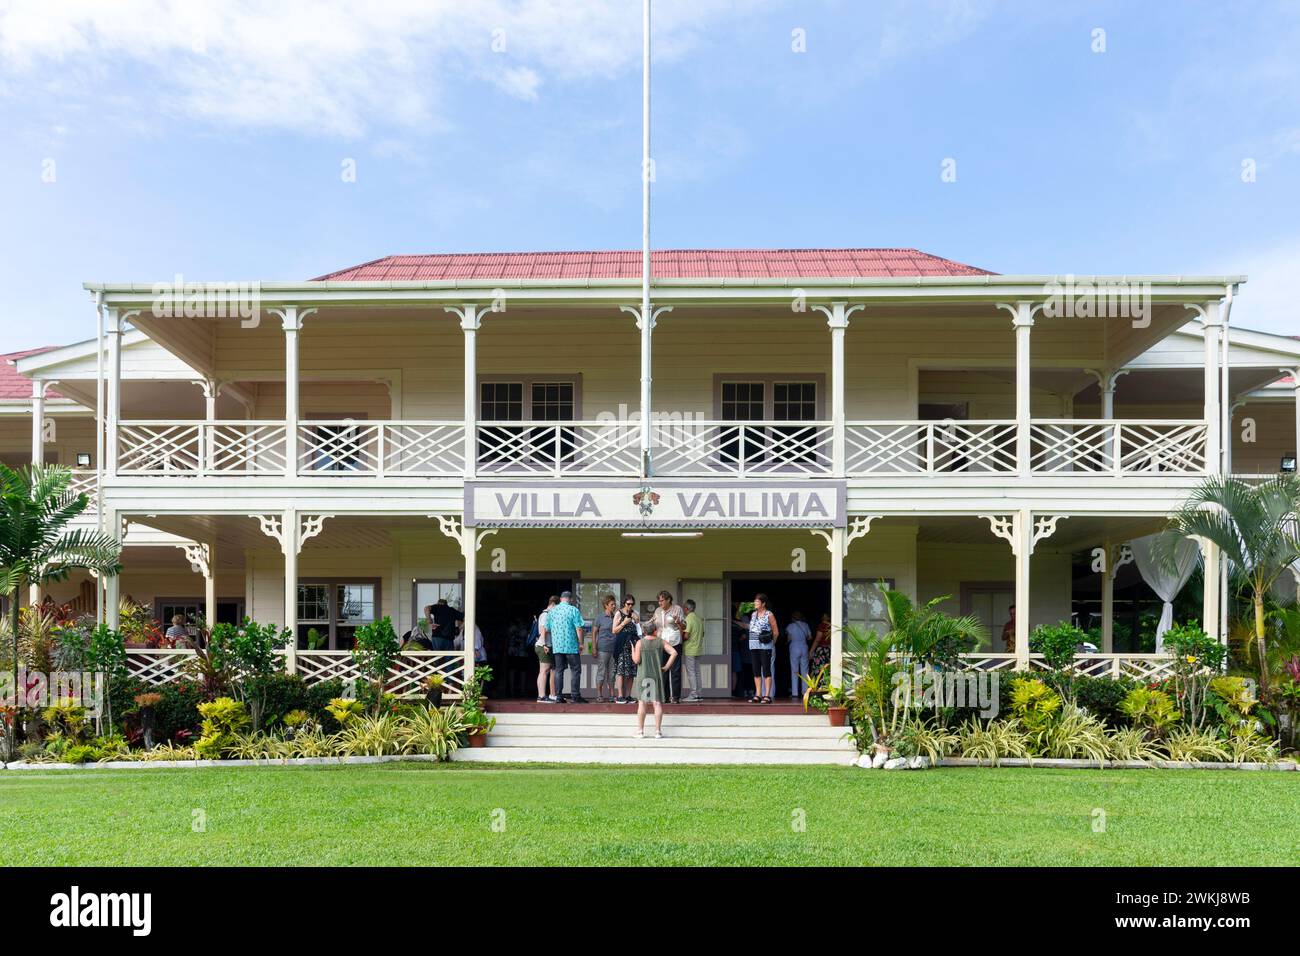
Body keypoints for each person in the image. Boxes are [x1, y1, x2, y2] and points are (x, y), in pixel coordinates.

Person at [633, 618, 677, 738]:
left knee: (642, 703)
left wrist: (633, 651)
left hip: (643, 676)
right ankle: (657, 731)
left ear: (644, 631)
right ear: (655, 630)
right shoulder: (660, 642)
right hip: (656, 675)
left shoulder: (639, 643)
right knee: (656, 703)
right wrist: (666, 667)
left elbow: (636, 660)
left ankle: (640, 732)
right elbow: (674, 652)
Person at [547, 590, 587, 703]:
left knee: (559, 671)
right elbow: (579, 628)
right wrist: (581, 643)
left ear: (560, 599)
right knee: (575, 670)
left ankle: (558, 696)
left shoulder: (552, 611)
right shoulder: (573, 610)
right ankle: (575, 696)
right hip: (571, 646)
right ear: (571, 599)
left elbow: (548, 628)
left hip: (558, 647)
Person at [653, 590, 685, 704]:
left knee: (675, 670)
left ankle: (675, 697)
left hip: (674, 642)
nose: (659, 603)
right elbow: (655, 625)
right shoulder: (657, 611)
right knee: (663, 669)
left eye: (662, 600)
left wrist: (678, 622)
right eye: (659, 601)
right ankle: (664, 696)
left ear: (668, 600)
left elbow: (684, 625)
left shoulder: (677, 609)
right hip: (661, 642)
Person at [748, 593, 779, 704]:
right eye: (755, 601)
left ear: (763, 603)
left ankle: (767, 695)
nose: (755, 603)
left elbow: (776, 632)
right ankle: (758, 694)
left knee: (766, 670)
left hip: (765, 646)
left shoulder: (769, 614)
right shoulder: (753, 615)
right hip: (753, 645)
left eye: (757, 602)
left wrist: (772, 644)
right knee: (756, 671)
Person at [592, 594, 619, 702]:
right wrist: (594, 647)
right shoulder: (600, 617)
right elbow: (594, 633)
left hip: (614, 649)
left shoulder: (616, 616)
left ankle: (612, 694)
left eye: (614, 604)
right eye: (612, 604)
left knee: (612, 672)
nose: (614, 606)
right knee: (601, 672)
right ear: (606, 605)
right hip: (603, 648)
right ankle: (599, 694)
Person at [613, 595, 639, 704]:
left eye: (632, 604)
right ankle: (620, 696)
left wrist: (634, 617)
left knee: (631, 671)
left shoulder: (634, 613)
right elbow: (614, 630)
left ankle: (628, 695)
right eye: (628, 604)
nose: (630, 606)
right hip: (622, 644)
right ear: (624, 603)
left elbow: (638, 624)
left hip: (633, 644)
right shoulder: (619, 613)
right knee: (621, 670)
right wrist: (624, 622)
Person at [535, 595, 558, 703]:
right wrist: (544, 645)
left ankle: (549, 695)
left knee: (547, 670)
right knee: (544, 671)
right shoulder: (545, 615)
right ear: (553, 604)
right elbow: (543, 631)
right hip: (543, 645)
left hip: (547, 645)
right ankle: (541, 696)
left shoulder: (548, 614)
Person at [682, 599, 705, 702]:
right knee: (697, 672)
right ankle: (699, 694)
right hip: (698, 649)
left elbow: (686, 636)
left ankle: (693, 694)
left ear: (686, 608)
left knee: (691, 672)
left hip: (690, 649)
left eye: (684, 608)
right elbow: (703, 633)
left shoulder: (689, 618)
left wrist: (680, 635)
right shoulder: (698, 619)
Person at [787, 610, 812, 699]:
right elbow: (809, 637)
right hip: (804, 646)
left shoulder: (790, 626)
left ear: (793, 618)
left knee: (794, 670)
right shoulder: (805, 625)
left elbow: (789, 638)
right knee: (805, 670)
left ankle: (795, 693)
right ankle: (804, 692)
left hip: (794, 646)